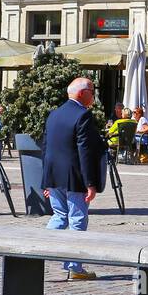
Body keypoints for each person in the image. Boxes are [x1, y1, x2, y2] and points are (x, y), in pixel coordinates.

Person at [42, 77, 105, 281]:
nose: (93, 95)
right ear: (81, 93)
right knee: (77, 219)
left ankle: (36, 255)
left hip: (54, 176)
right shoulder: (83, 115)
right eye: (92, 91)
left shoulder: (54, 114)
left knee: (59, 217)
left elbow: (47, 148)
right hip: (74, 177)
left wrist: (47, 181)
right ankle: (75, 267)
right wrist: (90, 183)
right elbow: (84, 151)